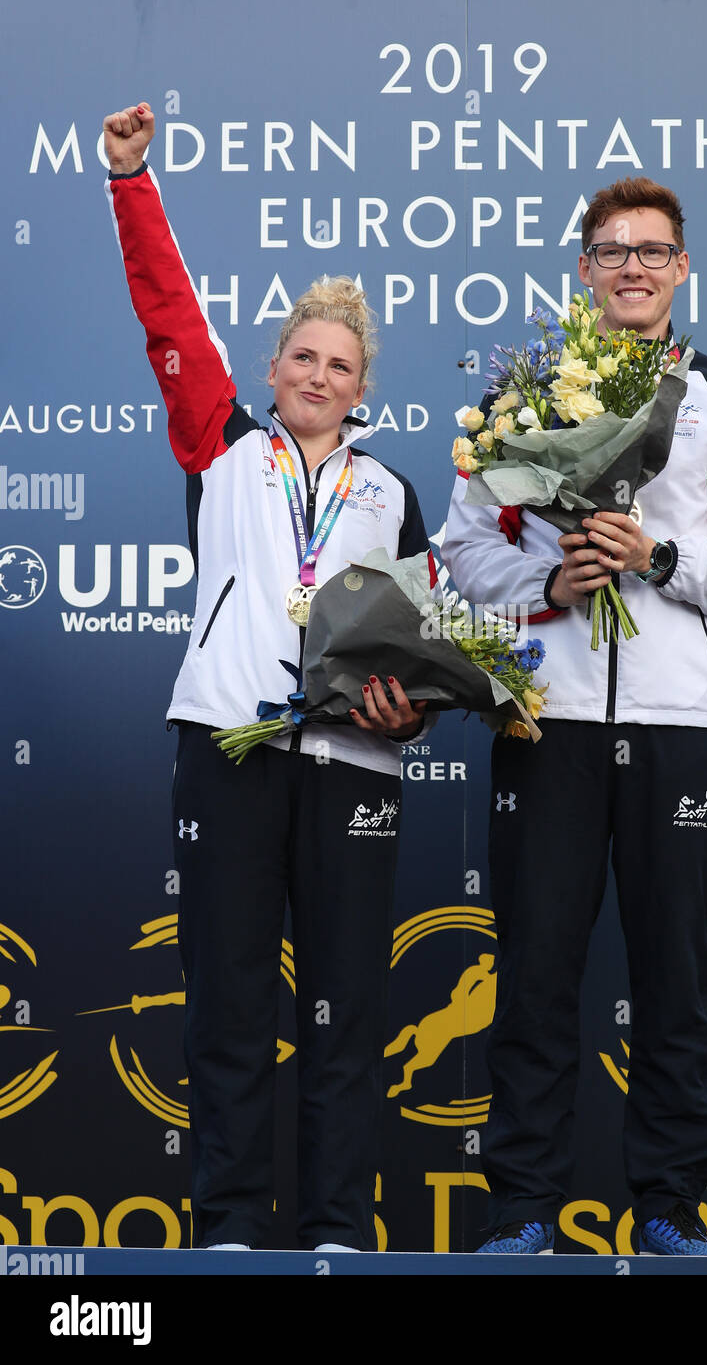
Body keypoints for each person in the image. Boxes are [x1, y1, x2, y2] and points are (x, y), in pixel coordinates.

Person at [103, 102, 432, 1252]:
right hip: (231, 757)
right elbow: (167, 314)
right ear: (273, 366)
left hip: (353, 768)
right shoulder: (223, 448)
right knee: (231, 1005)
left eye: (340, 365)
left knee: (346, 1012)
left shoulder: (393, 494)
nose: (319, 375)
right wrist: (133, 185)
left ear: (360, 388)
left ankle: (341, 1228)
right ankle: (232, 1230)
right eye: (303, 355)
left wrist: (418, 708)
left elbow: (426, 643)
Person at [441, 175, 707, 1255]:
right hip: (545, 720)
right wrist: (554, 587)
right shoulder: (526, 401)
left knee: (678, 978)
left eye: (651, 249)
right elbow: (461, 554)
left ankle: (671, 1215)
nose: (631, 265)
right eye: (610, 250)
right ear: (581, 270)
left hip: (678, 723)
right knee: (535, 971)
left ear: (682, 268)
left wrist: (658, 556)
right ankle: (522, 1213)